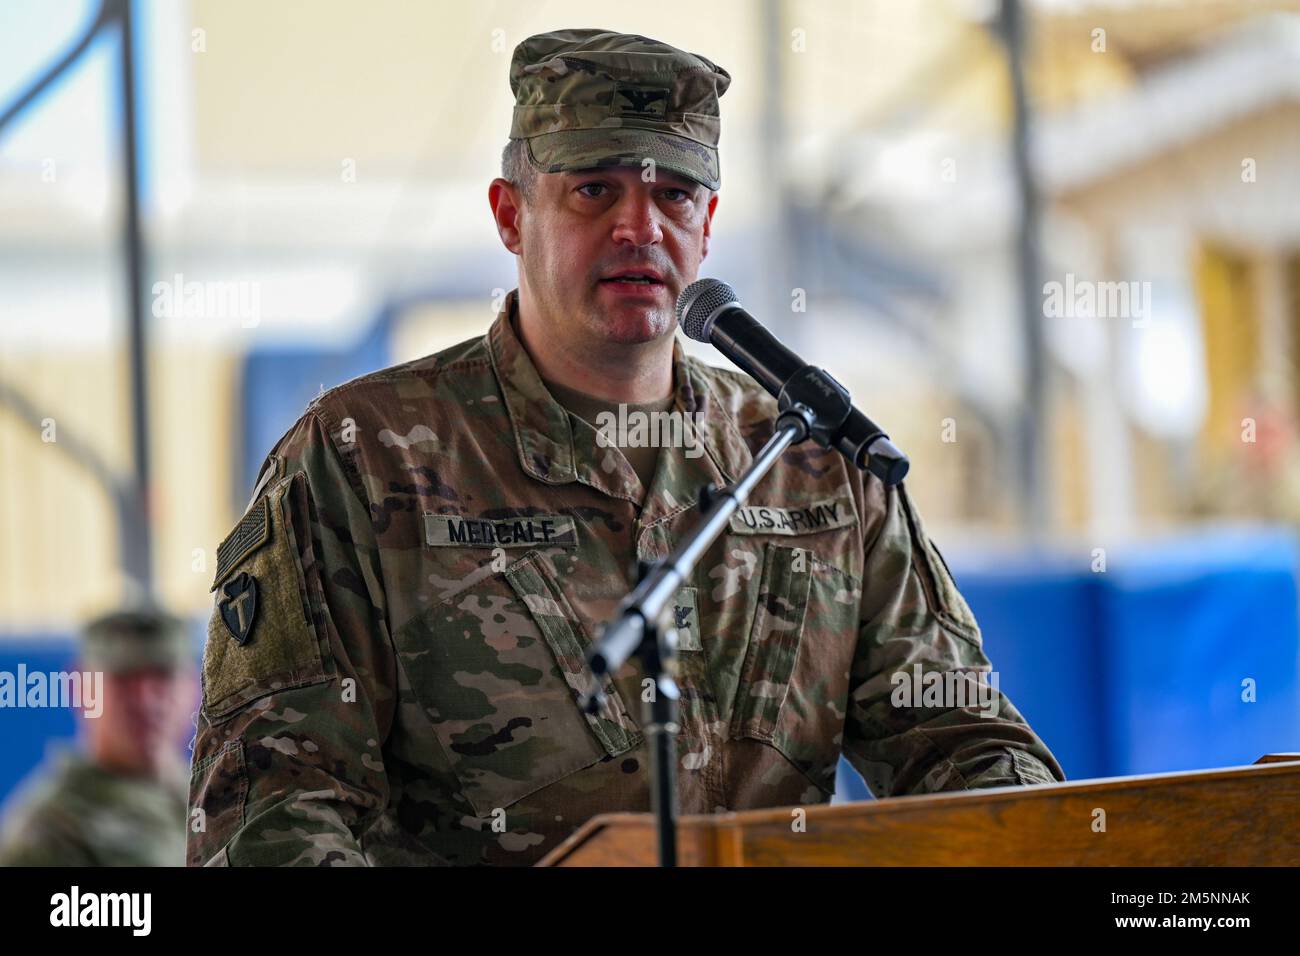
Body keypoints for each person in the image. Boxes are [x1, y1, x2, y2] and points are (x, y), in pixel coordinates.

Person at [188, 28, 1064, 867]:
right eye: (594, 190)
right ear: (510, 215)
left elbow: (960, 742)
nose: (639, 227)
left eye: (674, 195)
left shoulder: (812, 461)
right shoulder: (363, 457)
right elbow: (271, 816)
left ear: (708, 223)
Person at [0, 607, 195, 866]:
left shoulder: (212, 792)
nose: (145, 700)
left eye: (163, 676)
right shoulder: (55, 830)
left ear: (193, 685)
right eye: (124, 680)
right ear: (81, 688)